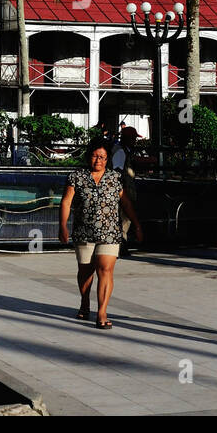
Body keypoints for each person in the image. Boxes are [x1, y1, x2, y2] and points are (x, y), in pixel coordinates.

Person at [59, 139, 144, 329]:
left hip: (110, 233)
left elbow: (126, 204)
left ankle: (102, 312)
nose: (99, 160)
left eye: (103, 157)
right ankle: (84, 302)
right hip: (84, 231)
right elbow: (66, 202)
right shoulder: (76, 177)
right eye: (95, 156)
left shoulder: (115, 178)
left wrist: (137, 225)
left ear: (108, 159)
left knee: (105, 270)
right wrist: (62, 226)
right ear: (89, 156)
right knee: (85, 271)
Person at [110, 127, 139, 258]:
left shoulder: (122, 150)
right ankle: (121, 247)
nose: (135, 141)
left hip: (124, 190)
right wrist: (122, 191)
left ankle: (121, 246)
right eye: (133, 138)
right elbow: (117, 171)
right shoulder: (120, 152)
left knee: (123, 220)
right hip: (123, 191)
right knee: (123, 220)